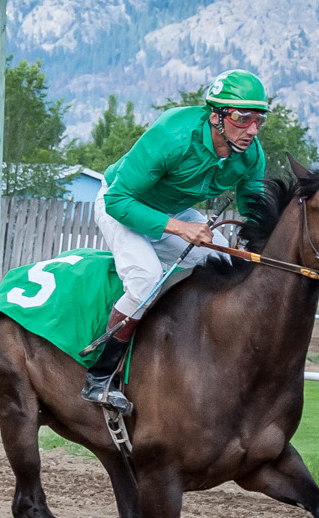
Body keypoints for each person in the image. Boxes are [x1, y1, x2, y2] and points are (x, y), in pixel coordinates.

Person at [83, 69, 270, 411]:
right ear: (216, 116)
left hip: (172, 209)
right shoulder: (173, 135)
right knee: (146, 279)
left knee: (221, 266)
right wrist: (180, 228)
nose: (252, 130)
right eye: (243, 119)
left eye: (259, 120)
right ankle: (101, 376)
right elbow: (118, 201)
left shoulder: (251, 155)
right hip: (122, 203)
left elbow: (254, 212)